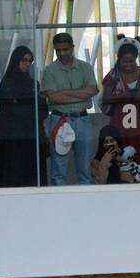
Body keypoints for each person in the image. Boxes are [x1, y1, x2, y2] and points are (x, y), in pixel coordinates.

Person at [40, 31, 99, 186]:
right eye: (58, 50)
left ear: (72, 48)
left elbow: (92, 91)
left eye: (65, 49)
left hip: (82, 118)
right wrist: (81, 94)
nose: (62, 53)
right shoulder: (49, 71)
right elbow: (53, 98)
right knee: (59, 166)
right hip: (60, 118)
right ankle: (58, 204)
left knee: (84, 165)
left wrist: (64, 92)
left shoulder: (85, 67)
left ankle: (85, 203)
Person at [101, 37, 140, 173]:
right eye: (125, 61)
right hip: (120, 126)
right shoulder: (113, 75)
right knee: (120, 161)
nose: (129, 64)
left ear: (136, 58)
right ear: (119, 59)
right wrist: (125, 97)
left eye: (132, 61)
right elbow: (106, 98)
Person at [0, 45, 46, 187]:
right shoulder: (7, 83)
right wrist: (28, 110)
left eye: (30, 61)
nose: (27, 64)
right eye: (24, 60)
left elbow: (43, 109)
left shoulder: (33, 84)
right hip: (13, 138)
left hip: (31, 137)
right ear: (16, 60)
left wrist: (22, 107)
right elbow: (9, 109)